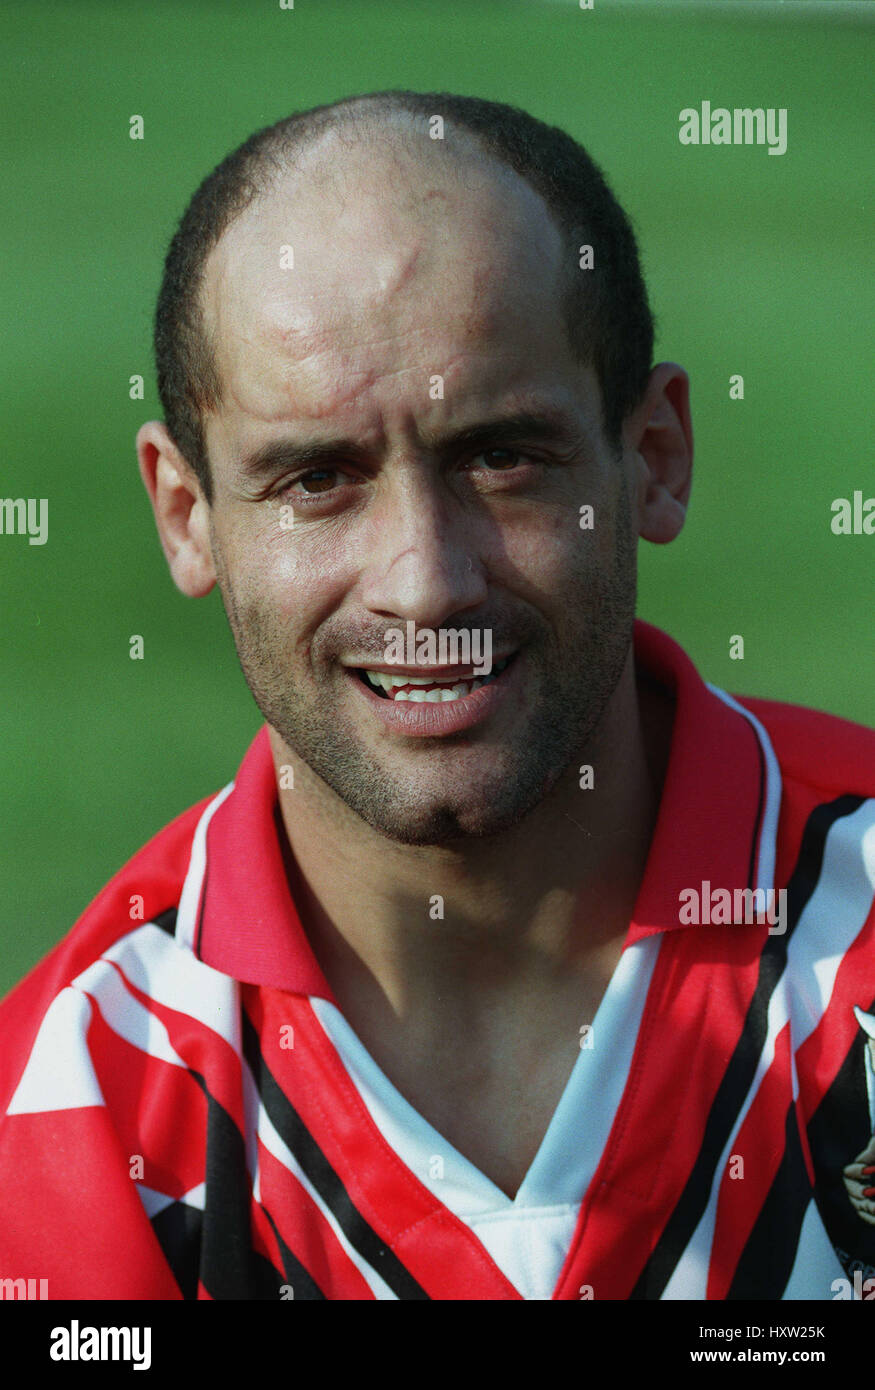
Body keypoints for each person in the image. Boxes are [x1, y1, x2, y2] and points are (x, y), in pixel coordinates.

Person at [0, 90, 872, 1302]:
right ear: (186, 516)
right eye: (316, 477)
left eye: (500, 456)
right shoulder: (70, 1113)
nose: (424, 581)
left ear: (654, 457)